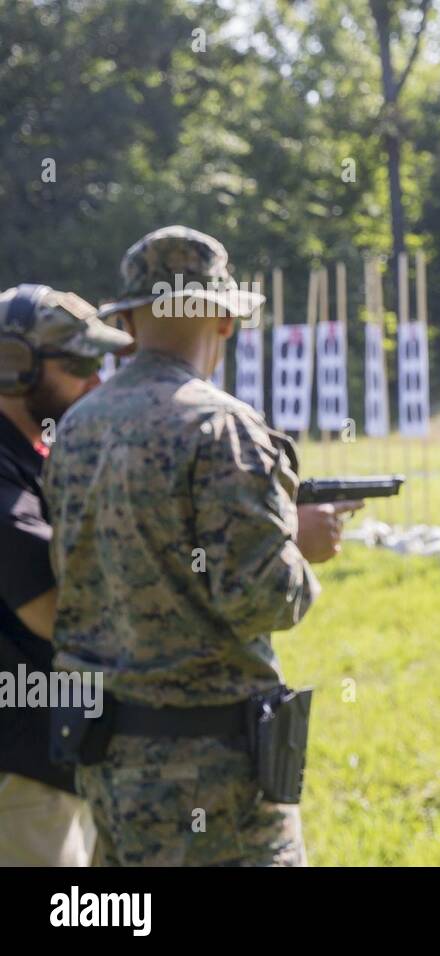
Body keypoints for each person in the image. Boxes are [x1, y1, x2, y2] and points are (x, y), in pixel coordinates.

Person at [44, 225, 357, 866]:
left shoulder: (76, 425)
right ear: (223, 321)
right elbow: (264, 599)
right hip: (212, 776)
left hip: (103, 753)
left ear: (128, 321)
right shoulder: (222, 426)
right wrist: (305, 549)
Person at [0, 284, 129, 866]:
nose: (95, 381)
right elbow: (57, 611)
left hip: (53, 750)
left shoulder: (26, 457)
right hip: (18, 771)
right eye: (78, 364)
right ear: (14, 366)